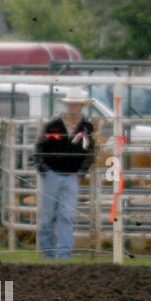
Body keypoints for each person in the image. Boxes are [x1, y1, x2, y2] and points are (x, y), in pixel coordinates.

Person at [33, 87, 96, 260]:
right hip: (52, 173)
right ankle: (48, 254)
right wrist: (43, 168)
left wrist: (80, 173)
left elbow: (90, 152)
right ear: (68, 105)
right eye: (72, 104)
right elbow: (39, 146)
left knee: (66, 216)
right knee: (48, 217)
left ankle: (63, 255)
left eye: (77, 104)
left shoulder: (86, 127)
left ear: (81, 106)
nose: (74, 107)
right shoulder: (53, 125)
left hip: (71, 176)